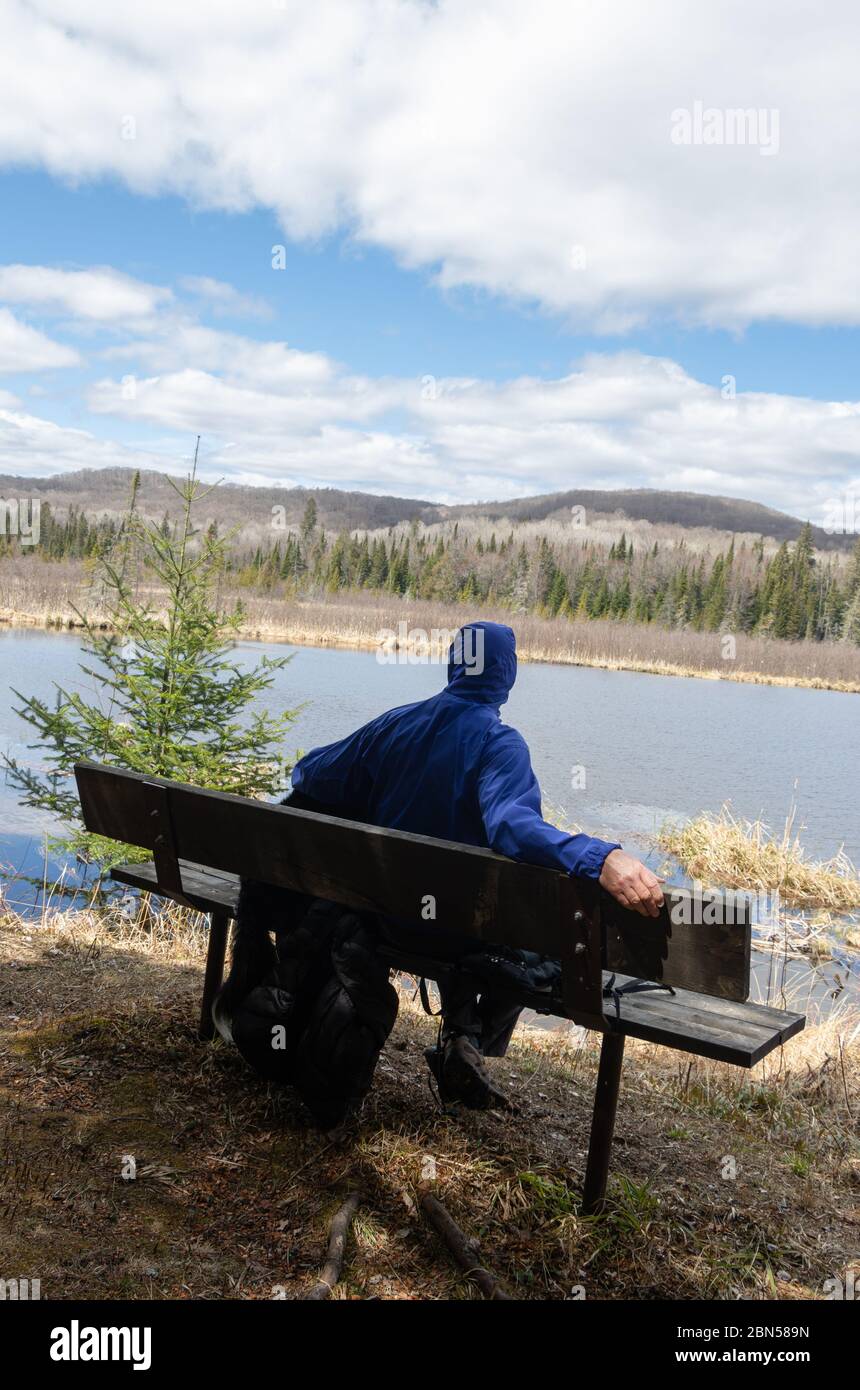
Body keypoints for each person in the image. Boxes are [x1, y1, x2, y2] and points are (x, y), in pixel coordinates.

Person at [288, 620, 663, 1109]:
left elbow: (309, 772)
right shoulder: (499, 743)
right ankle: (469, 1038)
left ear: (453, 664)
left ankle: (461, 1037)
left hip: (383, 919)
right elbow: (512, 827)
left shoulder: (394, 725)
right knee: (536, 941)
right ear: (507, 674)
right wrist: (600, 856)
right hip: (457, 936)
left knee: (475, 912)